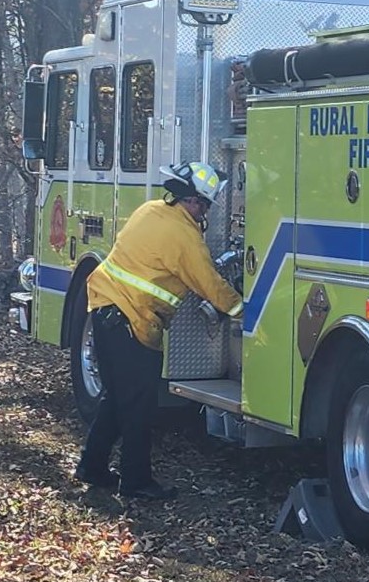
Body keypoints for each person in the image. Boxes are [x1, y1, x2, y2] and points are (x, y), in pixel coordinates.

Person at [73, 161, 244, 500]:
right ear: (193, 201)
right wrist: (244, 311)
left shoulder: (150, 210)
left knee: (118, 398)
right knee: (138, 407)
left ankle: (91, 467)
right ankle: (136, 482)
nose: (205, 211)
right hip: (132, 322)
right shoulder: (184, 237)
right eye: (205, 204)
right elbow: (210, 284)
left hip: (105, 311)